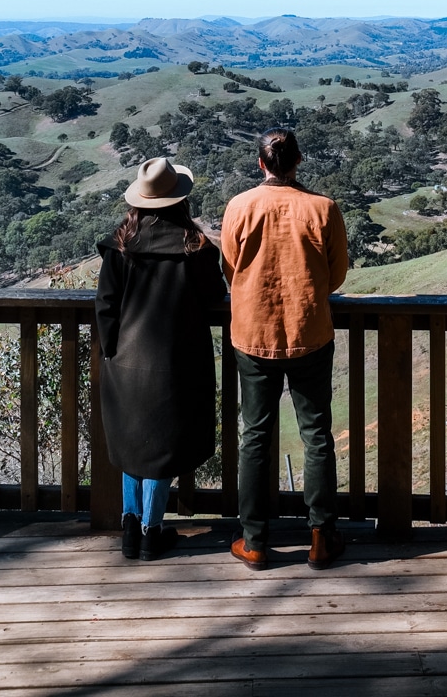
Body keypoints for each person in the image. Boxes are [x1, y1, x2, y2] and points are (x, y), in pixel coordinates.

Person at [221, 127, 350, 571]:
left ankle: (254, 540)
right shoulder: (323, 208)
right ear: (298, 162)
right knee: (317, 434)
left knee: (254, 436)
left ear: (261, 164)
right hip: (309, 331)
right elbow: (336, 275)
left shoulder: (239, 206)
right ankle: (321, 536)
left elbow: (230, 268)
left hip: (253, 334)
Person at [94, 156, 227, 561]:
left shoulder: (121, 244)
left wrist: (111, 350)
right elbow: (211, 300)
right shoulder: (195, 247)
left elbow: (106, 305)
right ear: (179, 200)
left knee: (133, 442)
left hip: (125, 363)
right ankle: (152, 529)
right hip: (177, 361)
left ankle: (130, 527)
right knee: (162, 444)